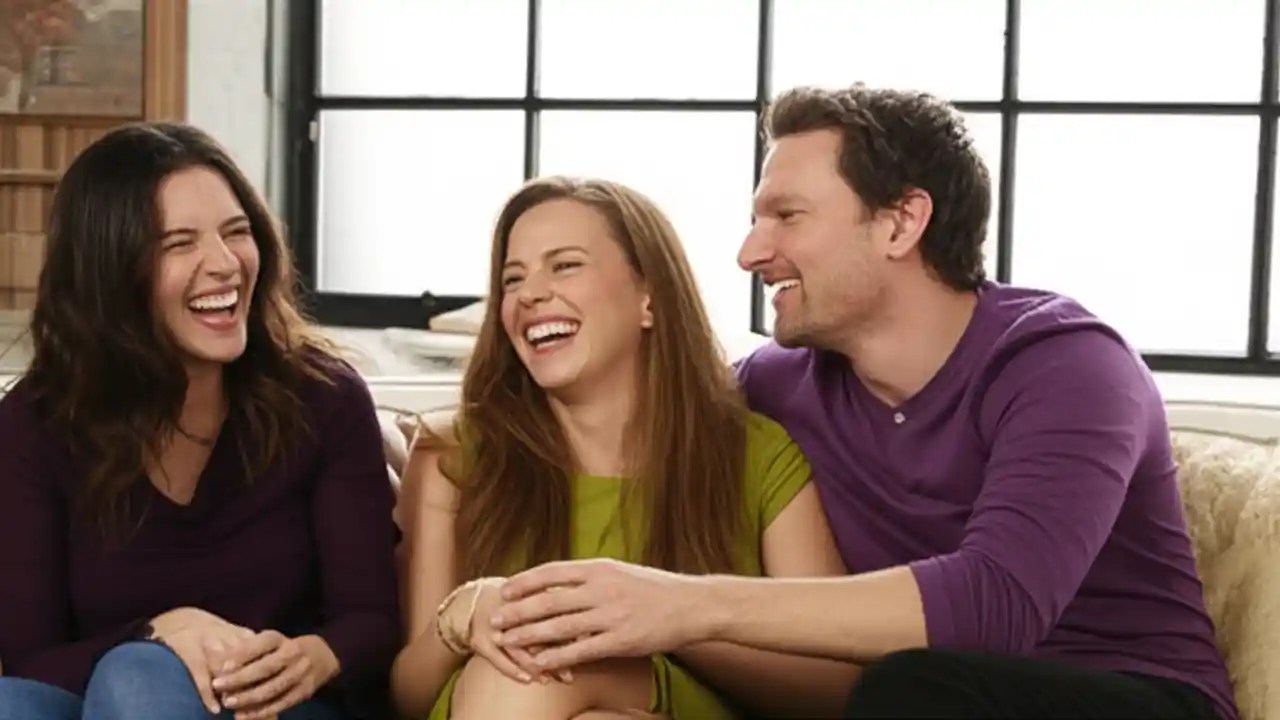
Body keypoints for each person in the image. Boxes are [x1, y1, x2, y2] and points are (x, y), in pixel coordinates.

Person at [477, 85, 1241, 720]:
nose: (750, 251)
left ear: (901, 222)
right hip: (912, 702)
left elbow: (997, 606)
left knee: (911, 688)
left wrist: (690, 605)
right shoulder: (782, 385)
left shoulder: (1065, 365)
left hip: (1136, 697)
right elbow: (643, 415)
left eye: (788, 216)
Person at [389, 176, 854, 719]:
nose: (529, 293)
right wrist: (461, 618)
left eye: (564, 265)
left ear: (648, 296)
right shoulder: (452, 453)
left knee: (540, 662)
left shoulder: (756, 455)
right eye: (512, 279)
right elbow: (408, 699)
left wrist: (666, 618)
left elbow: (834, 686)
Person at [0, 122, 401, 719]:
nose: (224, 264)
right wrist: (160, 632)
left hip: (281, 703)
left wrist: (316, 655)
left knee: (136, 679)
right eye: (178, 243)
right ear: (109, 271)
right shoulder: (36, 423)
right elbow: (30, 657)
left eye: (236, 232)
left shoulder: (324, 399)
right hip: (103, 701)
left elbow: (372, 620)